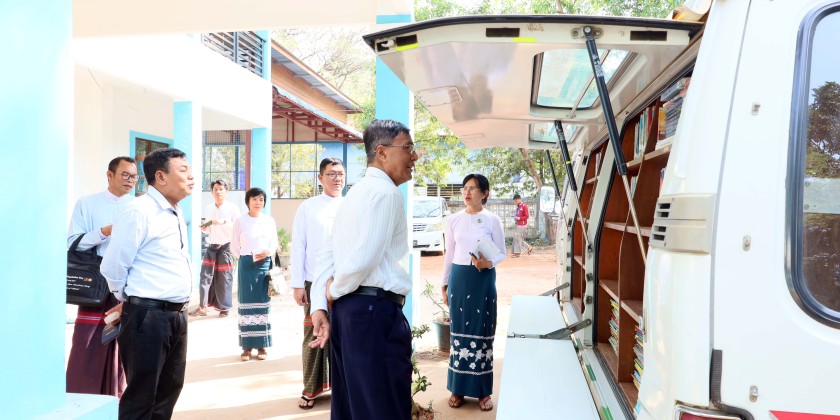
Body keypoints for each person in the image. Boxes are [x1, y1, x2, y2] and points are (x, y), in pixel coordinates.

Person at [309, 119, 419, 420]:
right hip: (373, 315)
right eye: (408, 148)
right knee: (382, 407)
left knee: (352, 407)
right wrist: (331, 290)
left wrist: (320, 304)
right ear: (382, 152)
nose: (415, 156)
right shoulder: (386, 195)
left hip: (349, 315)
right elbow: (362, 260)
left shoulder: (353, 195)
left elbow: (327, 254)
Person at [100, 148, 194, 419]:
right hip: (148, 318)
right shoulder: (139, 211)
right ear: (161, 177)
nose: (191, 176)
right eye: (183, 170)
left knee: (169, 391)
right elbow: (113, 265)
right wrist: (128, 301)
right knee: (141, 397)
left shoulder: (175, 211)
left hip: (177, 315)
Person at [66, 156, 137, 397]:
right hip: (94, 285)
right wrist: (104, 232)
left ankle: (116, 398)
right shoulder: (87, 204)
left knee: (122, 342)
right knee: (87, 342)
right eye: (125, 175)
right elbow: (72, 243)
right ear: (110, 175)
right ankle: (80, 397)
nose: (130, 181)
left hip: (127, 283)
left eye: (134, 177)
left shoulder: (138, 207)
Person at [441, 174, 506, 411]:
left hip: (483, 279)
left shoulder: (492, 220)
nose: (467, 193)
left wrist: (487, 264)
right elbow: (449, 254)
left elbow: (500, 253)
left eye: (473, 189)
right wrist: (444, 283)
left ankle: (482, 392)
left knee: (482, 331)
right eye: (464, 188)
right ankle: (458, 389)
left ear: (485, 193)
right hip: (459, 278)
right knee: (459, 333)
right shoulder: (454, 220)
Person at [290, 158, 345, 409]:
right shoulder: (308, 207)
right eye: (331, 174)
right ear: (320, 177)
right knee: (313, 335)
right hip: (313, 282)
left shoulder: (351, 206)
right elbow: (298, 245)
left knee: (342, 335)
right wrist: (298, 283)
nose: (337, 178)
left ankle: (341, 388)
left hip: (345, 284)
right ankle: (311, 388)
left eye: (341, 173)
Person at [230, 187, 278, 362]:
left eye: (261, 199)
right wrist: (245, 259)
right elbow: (234, 246)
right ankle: (247, 347)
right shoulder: (240, 221)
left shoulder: (269, 221)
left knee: (262, 304)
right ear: (248, 201)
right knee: (246, 304)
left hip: (264, 265)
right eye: (255, 199)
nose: (258, 203)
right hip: (246, 265)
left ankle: (262, 346)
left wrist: (267, 253)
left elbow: (274, 244)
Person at [192, 179, 240, 318]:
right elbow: (207, 231)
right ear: (212, 192)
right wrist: (205, 228)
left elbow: (237, 227)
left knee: (224, 277)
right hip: (212, 246)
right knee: (205, 276)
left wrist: (223, 222)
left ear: (226, 191)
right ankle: (203, 307)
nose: (218, 191)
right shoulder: (209, 208)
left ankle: (224, 308)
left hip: (227, 246)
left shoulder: (232, 208)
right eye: (215, 189)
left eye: (221, 189)